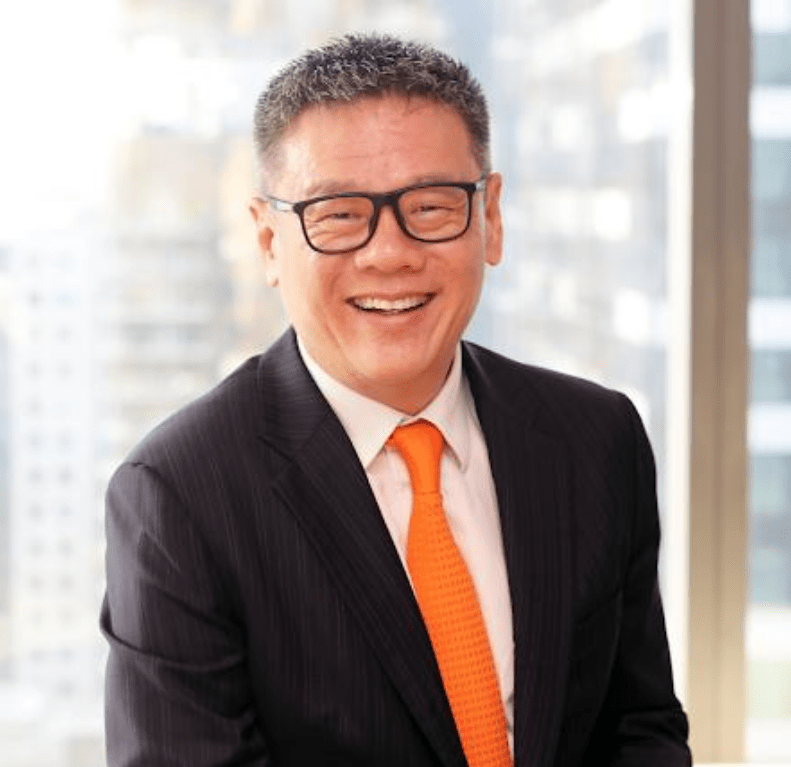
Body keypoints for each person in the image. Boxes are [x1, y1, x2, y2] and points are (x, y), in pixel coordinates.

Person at [101, 33, 691, 767]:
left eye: (432, 205)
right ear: (266, 240)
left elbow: (640, 728)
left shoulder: (596, 438)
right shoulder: (178, 495)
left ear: (490, 216)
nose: (389, 252)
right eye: (339, 214)